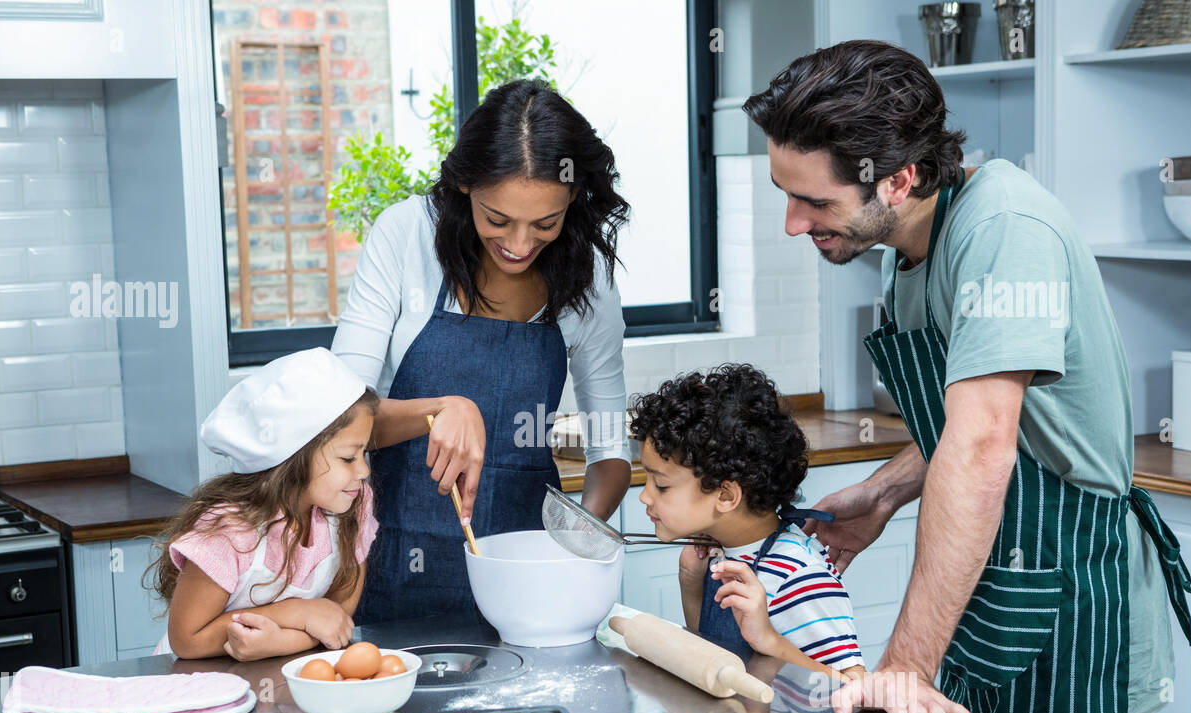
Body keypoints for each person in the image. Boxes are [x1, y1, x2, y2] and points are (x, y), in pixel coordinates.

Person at [742, 40, 1191, 713]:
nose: (795, 223)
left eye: (814, 201)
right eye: (785, 194)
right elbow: (978, 419)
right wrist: (885, 493)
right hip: (995, 573)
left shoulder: (1002, 231)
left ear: (899, 179)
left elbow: (986, 443)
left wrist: (904, 669)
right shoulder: (911, 245)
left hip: (1061, 579)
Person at [332, 78, 634, 625]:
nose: (519, 245)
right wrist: (440, 410)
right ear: (464, 186)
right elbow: (340, 422)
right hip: (393, 562)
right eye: (498, 219)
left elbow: (609, 451)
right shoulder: (406, 237)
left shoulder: (589, 279)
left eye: (545, 223)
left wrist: (567, 547)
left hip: (525, 579)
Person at [629, 364, 866, 680]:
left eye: (661, 484)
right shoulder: (724, 551)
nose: (644, 496)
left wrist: (768, 639)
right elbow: (712, 654)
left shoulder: (798, 575)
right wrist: (690, 583)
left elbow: (856, 687)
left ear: (726, 496)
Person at [147, 348, 379, 661]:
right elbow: (187, 640)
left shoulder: (354, 505)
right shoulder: (230, 530)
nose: (363, 471)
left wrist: (279, 642)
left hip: (278, 679)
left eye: (364, 453)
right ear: (295, 457)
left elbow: (336, 620)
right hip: (201, 686)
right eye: (349, 457)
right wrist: (294, 612)